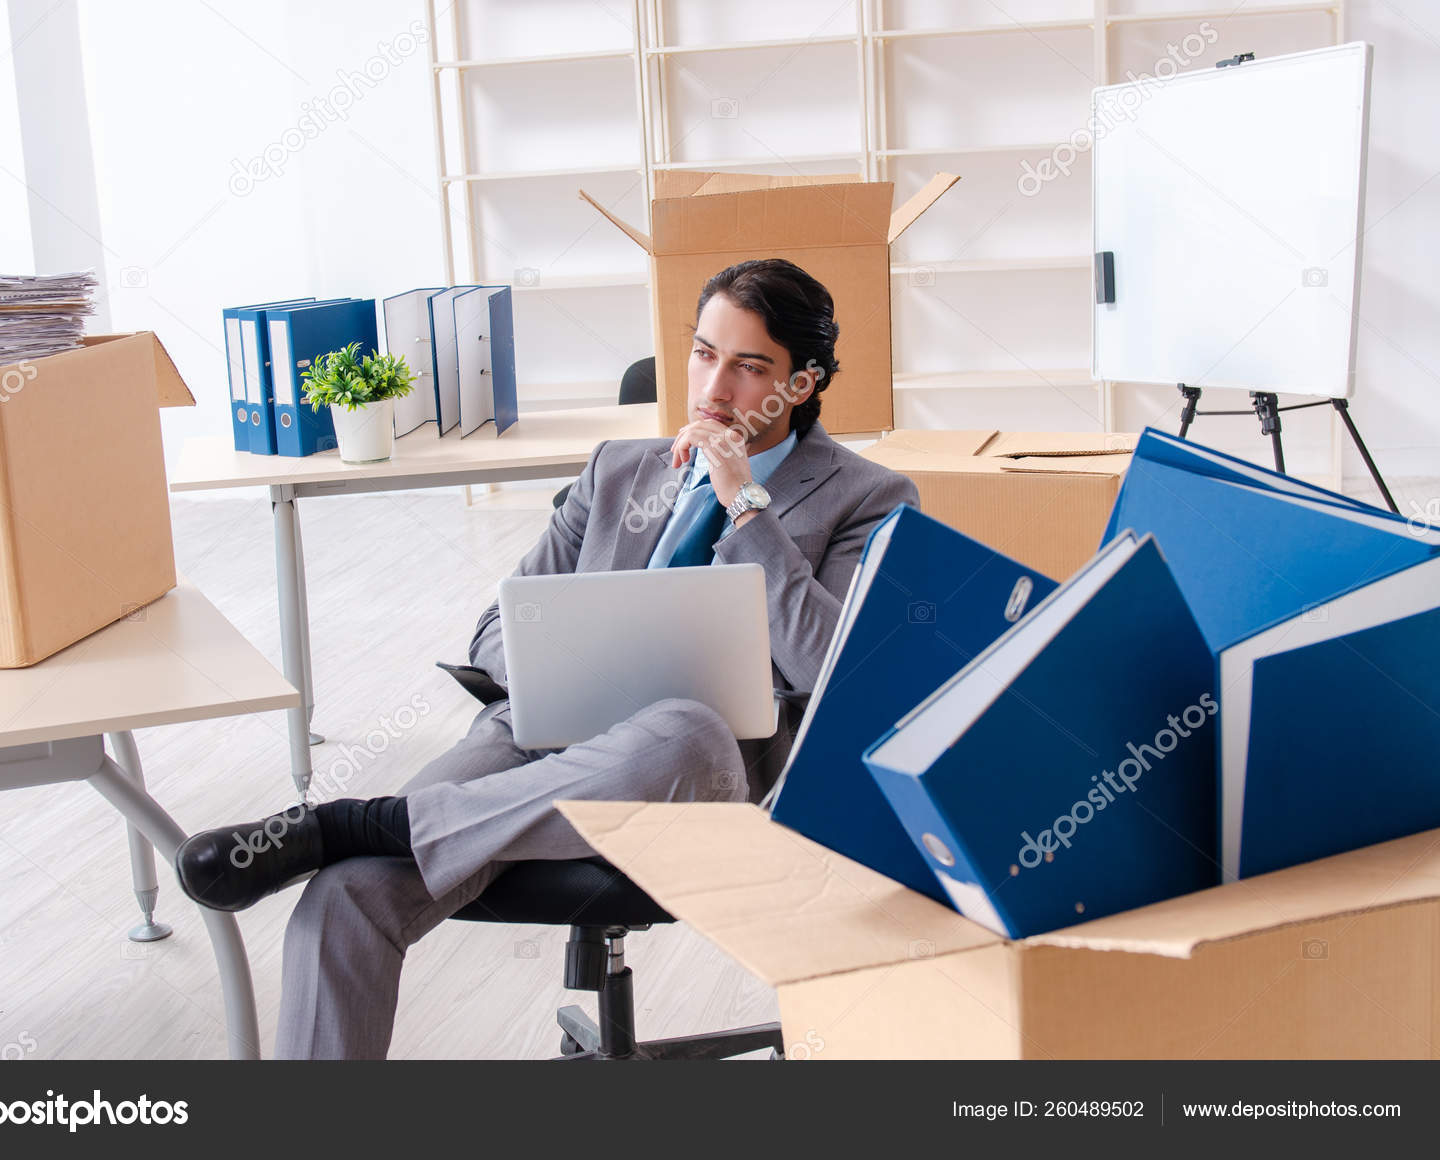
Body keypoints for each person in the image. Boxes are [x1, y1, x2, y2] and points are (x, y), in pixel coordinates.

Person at [175, 257, 920, 1058]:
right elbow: (497, 625)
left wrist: (745, 504)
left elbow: (832, 670)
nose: (715, 388)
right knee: (344, 892)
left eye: (749, 367)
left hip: (693, 771)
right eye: (705, 353)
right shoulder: (617, 471)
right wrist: (556, 663)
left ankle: (354, 822)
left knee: (687, 728)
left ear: (801, 384)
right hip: (537, 740)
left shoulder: (869, 497)